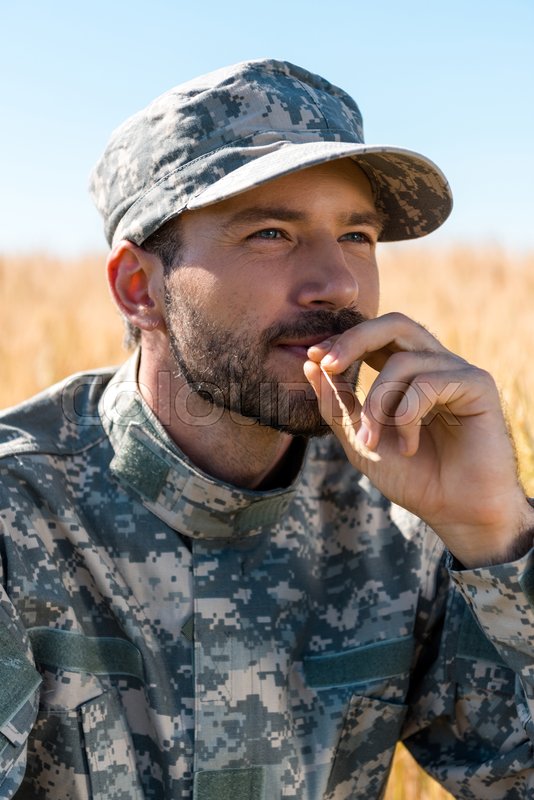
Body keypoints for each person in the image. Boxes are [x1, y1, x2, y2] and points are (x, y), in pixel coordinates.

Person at [1, 58, 533, 800]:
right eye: (272, 233)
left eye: (356, 235)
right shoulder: (17, 516)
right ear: (140, 288)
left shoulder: (409, 521)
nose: (339, 284)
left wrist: (497, 532)